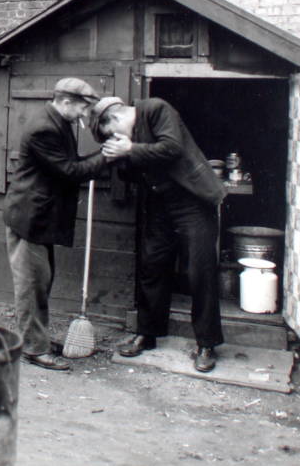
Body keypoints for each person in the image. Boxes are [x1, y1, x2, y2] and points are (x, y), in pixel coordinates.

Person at [89, 96, 226, 372]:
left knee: (200, 271)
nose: (117, 139)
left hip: (193, 201)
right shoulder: (129, 141)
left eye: (112, 135)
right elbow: (131, 172)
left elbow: (172, 148)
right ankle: (147, 334)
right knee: (152, 266)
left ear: (115, 120)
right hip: (160, 205)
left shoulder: (155, 109)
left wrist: (129, 149)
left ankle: (207, 344)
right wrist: (119, 159)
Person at [3, 78, 108, 371]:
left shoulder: (59, 122)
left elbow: (70, 164)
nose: (84, 115)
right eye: (82, 108)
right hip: (30, 219)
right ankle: (34, 349)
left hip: (39, 217)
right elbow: (70, 170)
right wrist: (108, 155)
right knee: (32, 286)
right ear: (65, 102)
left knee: (40, 281)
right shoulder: (45, 128)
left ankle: (37, 341)